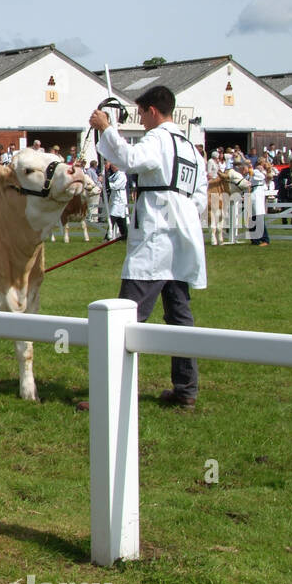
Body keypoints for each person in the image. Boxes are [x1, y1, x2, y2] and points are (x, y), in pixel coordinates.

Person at [87, 84, 207, 410]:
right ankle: (186, 390)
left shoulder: (158, 139)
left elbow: (128, 159)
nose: (140, 120)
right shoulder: (192, 149)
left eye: (141, 113)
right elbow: (200, 198)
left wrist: (106, 128)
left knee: (124, 317)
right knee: (181, 318)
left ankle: (109, 393)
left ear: (153, 111)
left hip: (156, 240)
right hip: (182, 242)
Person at [104, 161, 128, 241]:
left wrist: (106, 182)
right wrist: (105, 173)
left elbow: (115, 185)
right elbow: (108, 180)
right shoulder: (115, 174)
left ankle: (108, 236)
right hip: (114, 198)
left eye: (114, 165)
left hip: (119, 199)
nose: (112, 167)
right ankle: (125, 235)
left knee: (112, 216)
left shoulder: (121, 175)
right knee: (120, 218)